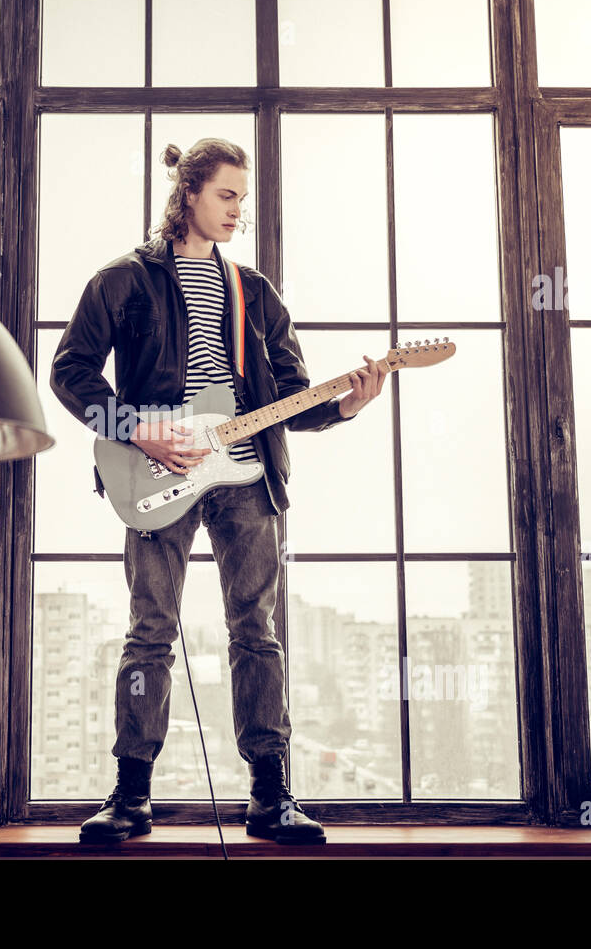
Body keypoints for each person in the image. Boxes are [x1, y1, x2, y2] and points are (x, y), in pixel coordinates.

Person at [49, 138, 388, 845]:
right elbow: (71, 370)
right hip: (158, 466)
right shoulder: (123, 281)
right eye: (227, 195)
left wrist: (349, 402)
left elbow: (296, 395)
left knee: (256, 631)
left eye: (244, 197)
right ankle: (130, 795)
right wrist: (138, 430)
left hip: (246, 474)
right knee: (150, 631)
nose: (240, 211)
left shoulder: (253, 291)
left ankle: (270, 796)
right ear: (189, 195)